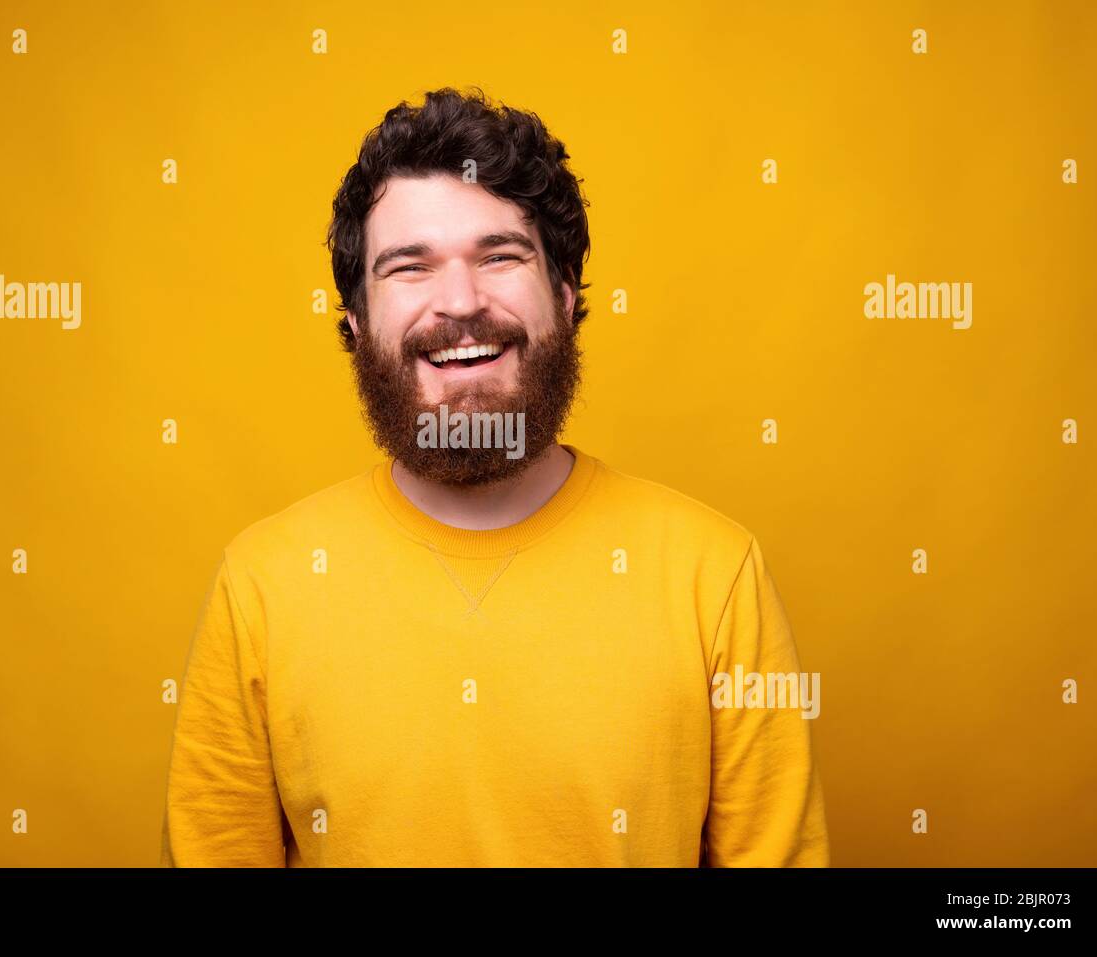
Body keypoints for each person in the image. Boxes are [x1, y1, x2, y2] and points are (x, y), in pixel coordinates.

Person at [160, 86, 830, 867]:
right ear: (355, 324)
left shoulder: (715, 576)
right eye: (410, 267)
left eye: (500, 256)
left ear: (566, 295)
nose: (461, 302)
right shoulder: (261, 586)